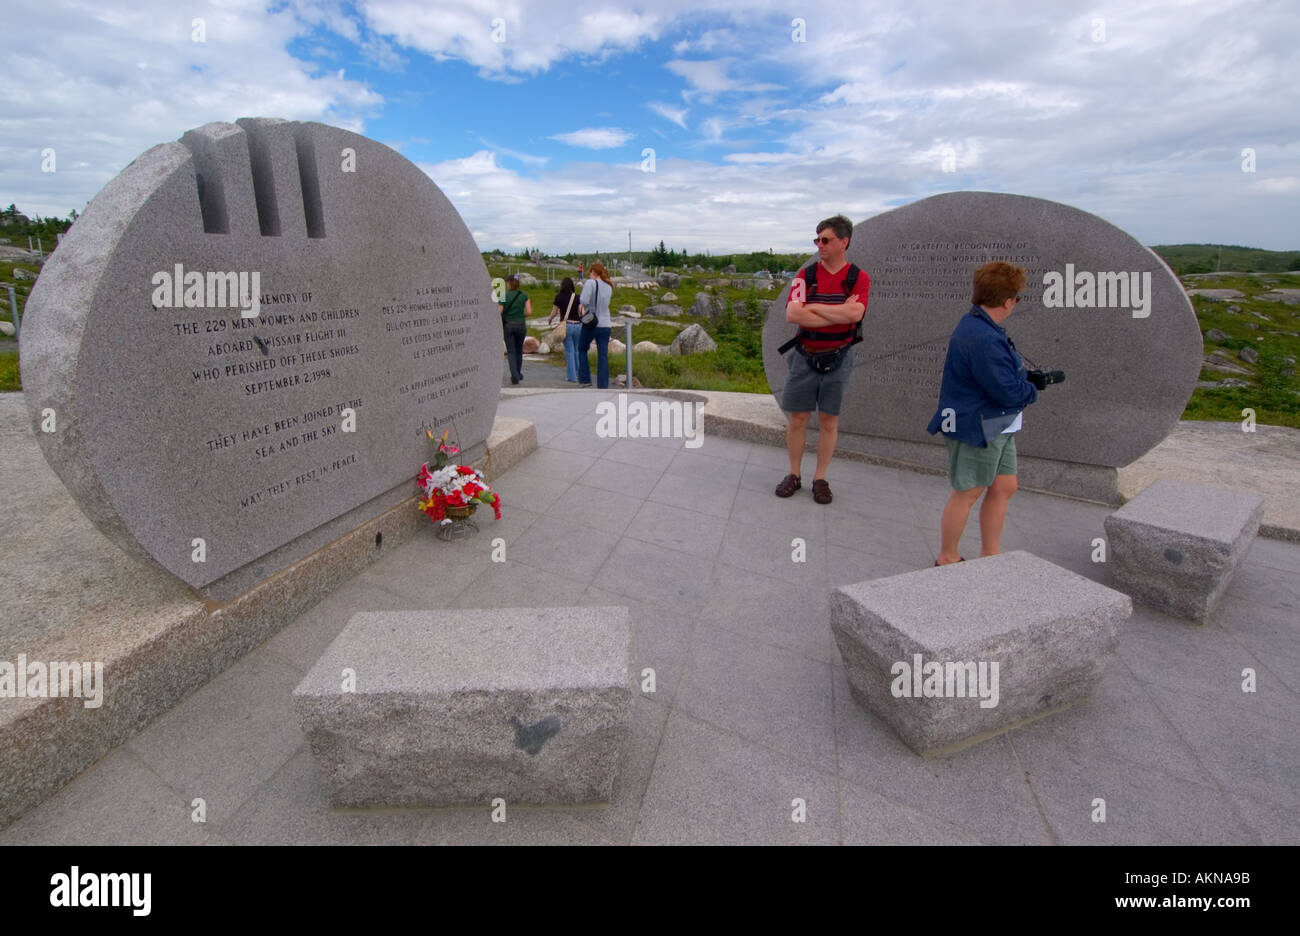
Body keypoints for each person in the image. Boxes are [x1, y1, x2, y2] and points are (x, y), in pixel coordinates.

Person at [925, 260, 1044, 565]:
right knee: (968, 491)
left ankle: (991, 554)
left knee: (1005, 486)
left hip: (999, 424)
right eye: (1016, 298)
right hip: (980, 426)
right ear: (1008, 301)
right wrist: (1032, 389)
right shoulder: (984, 338)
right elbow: (1006, 391)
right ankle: (947, 557)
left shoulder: (977, 325)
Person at [775, 214, 869, 505]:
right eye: (816, 239)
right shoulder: (806, 275)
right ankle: (793, 474)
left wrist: (813, 308)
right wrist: (837, 310)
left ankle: (820, 478)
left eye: (825, 239)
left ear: (844, 242)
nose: (819, 245)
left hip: (839, 358)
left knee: (829, 420)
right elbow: (793, 314)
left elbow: (856, 316)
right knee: (798, 418)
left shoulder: (858, 278)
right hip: (804, 355)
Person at [577, 262, 613, 388]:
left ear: (594, 272)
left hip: (592, 322)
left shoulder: (590, 283)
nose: (589, 274)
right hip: (606, 324)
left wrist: (582, 306)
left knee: (582, 348)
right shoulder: (609, 286)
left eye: (590, 272)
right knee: (603, 355)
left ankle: (585, 379)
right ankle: (603, 384)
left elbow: (584, 301)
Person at [548, 276, 582, 383]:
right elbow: (582, 311)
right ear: (572, 286)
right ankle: (579, 374)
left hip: (566, 326)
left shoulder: (559, 297)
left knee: (569, 352)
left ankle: (571, 377)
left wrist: (550, 319)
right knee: (577, 350)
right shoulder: (577, 297)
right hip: (578, 326)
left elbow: (554, 312)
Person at [499, 274, 530, 385]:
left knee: (511, 352)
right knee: (518, 351)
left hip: (508, 326)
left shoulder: (503, 295)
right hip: (521, 325)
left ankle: (515, 376)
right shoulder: (524, 295)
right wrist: (520, 315)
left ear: (508, 283)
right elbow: (529, 312)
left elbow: (500, 312)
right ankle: (518, 372)